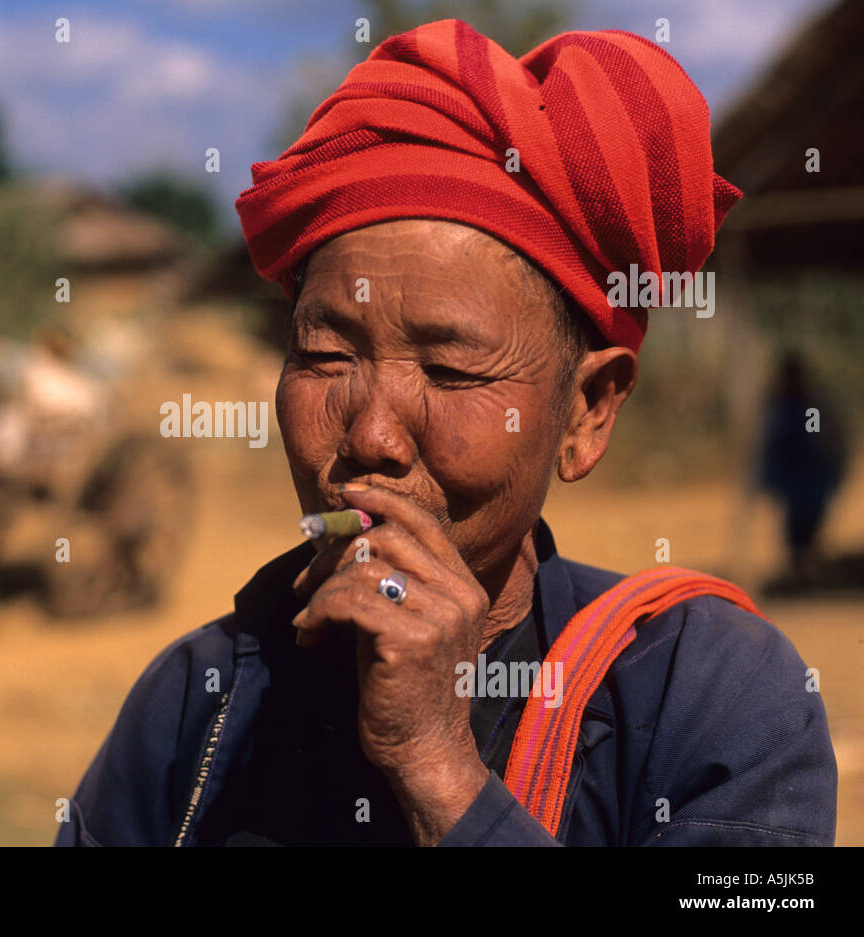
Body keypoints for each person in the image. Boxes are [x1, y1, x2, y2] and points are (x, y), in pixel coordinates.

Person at [56, 21, 836, 846]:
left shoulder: (716, 694)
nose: (372, 436)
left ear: (588, 410)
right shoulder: (200, 702)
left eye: (452, 373)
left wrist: (437, 768)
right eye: (324, 353)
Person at [758, 352, 847, 584]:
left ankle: (807, 569)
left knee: (809, 523)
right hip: (794, 478)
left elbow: (823, 438)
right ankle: (801, 570)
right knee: (796, 528)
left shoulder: (812, 405)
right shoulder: (778, 406)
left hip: (812, 476)